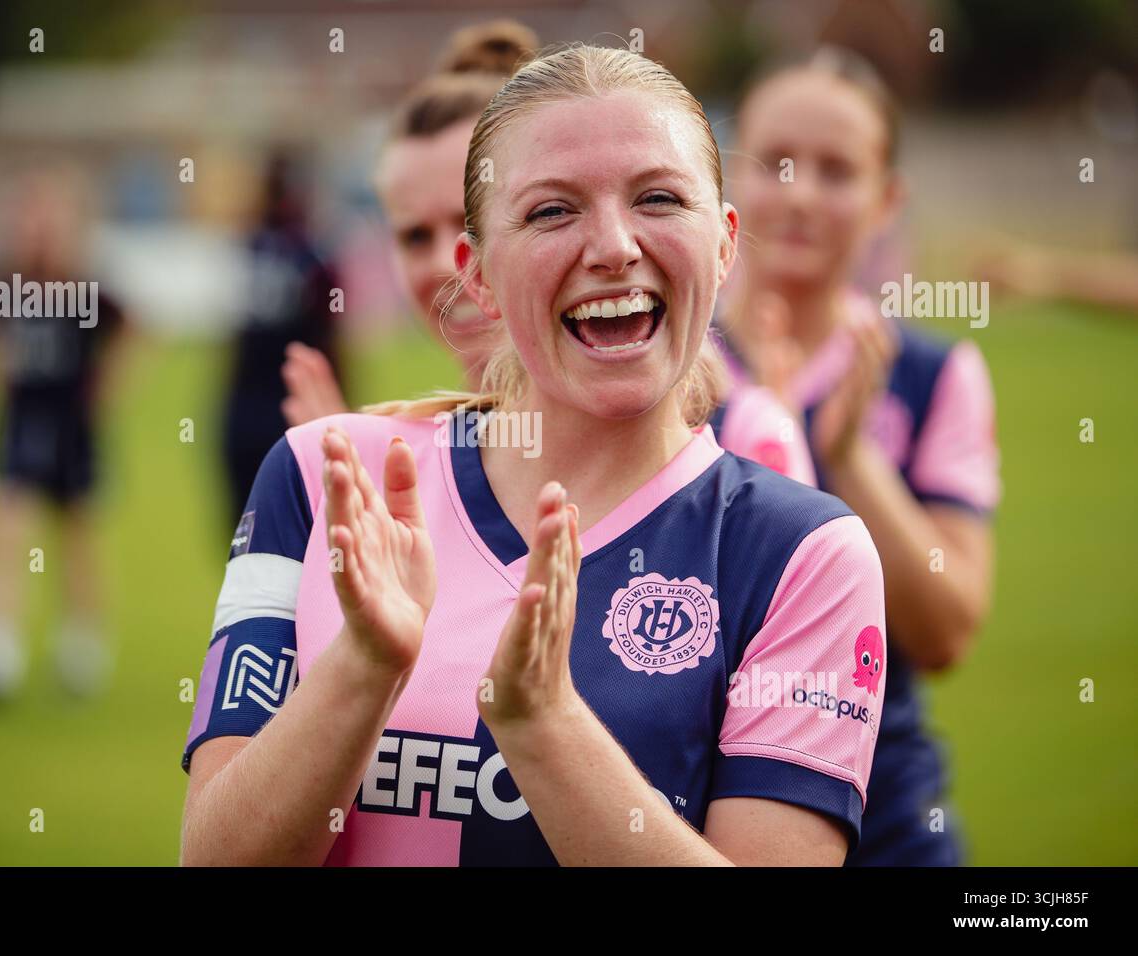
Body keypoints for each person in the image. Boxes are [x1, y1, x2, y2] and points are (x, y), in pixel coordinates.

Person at [180, 44, 887, 866]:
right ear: (477, 276)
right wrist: (363, 668)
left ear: (725, 245)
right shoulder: (319, 477)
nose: (615, 245)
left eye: (658, 197)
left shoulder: (803, 552)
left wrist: (543, 724)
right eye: (552, 212)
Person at [281, 21, 814, 485]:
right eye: (415, 235)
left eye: (549, 212)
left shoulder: (741, 438)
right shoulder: (415, 455)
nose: (446, 262)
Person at [720, 48, 1001, 864]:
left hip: (883, 824)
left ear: (887, 201)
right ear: (726, 178)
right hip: (688, 810)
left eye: (837, 170)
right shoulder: (659, 361)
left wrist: (851, 462)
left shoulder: (933, 374)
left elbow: (947, 632)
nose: (800, 193)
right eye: (775, 163)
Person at [0, 169, 129, 698]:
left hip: (71, 425)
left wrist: (104, 389)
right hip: (20, 422)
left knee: (76, 537)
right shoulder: (3, 286)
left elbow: (134, 331)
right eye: (27, 220)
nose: (34, 231)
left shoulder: (83, 289)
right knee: (5, 526)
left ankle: (82, 647)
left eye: (44, 221)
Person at [221, 152, 338, 530]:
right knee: (304, 529)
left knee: (248, 530)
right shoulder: (314, 256)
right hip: (294, 398)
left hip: (245, 403)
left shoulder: (248, 248)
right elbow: (332, 338)